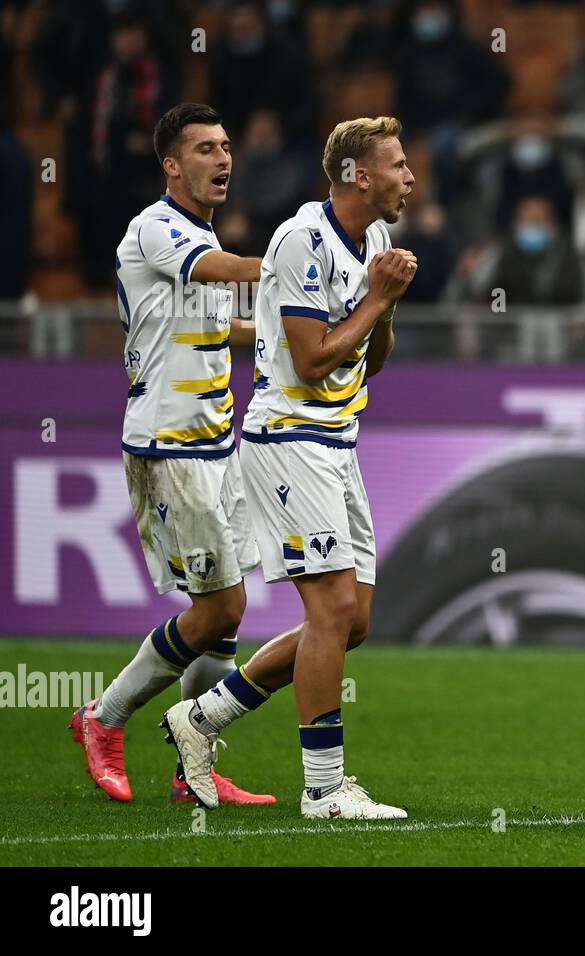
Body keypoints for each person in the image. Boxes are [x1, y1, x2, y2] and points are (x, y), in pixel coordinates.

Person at [161, 117, 418, 819]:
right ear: (359, 175)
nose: (410, 178)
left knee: (352, 621)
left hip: (338, 443)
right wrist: (378, 298)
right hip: (289, 440)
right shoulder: (301, 239)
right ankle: (326, 788)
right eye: (397, 165)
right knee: (330, 610)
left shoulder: (376, 240)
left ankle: (204, 717)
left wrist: (383, 306)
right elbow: (309, 360)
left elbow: (373, 359)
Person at [71, 103, 274, 807]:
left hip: (219, 446)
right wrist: (303, 268)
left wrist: (306, 330)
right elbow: (232, 271)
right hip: (168, 448)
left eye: (226, 147)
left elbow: (223, 331)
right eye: (205, 149)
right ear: (172, 164)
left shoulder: (202, 239)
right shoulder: (158, 228)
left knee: (227, 614)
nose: (222, 160)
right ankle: (104, 716)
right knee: (221, 608)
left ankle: (195, 767)